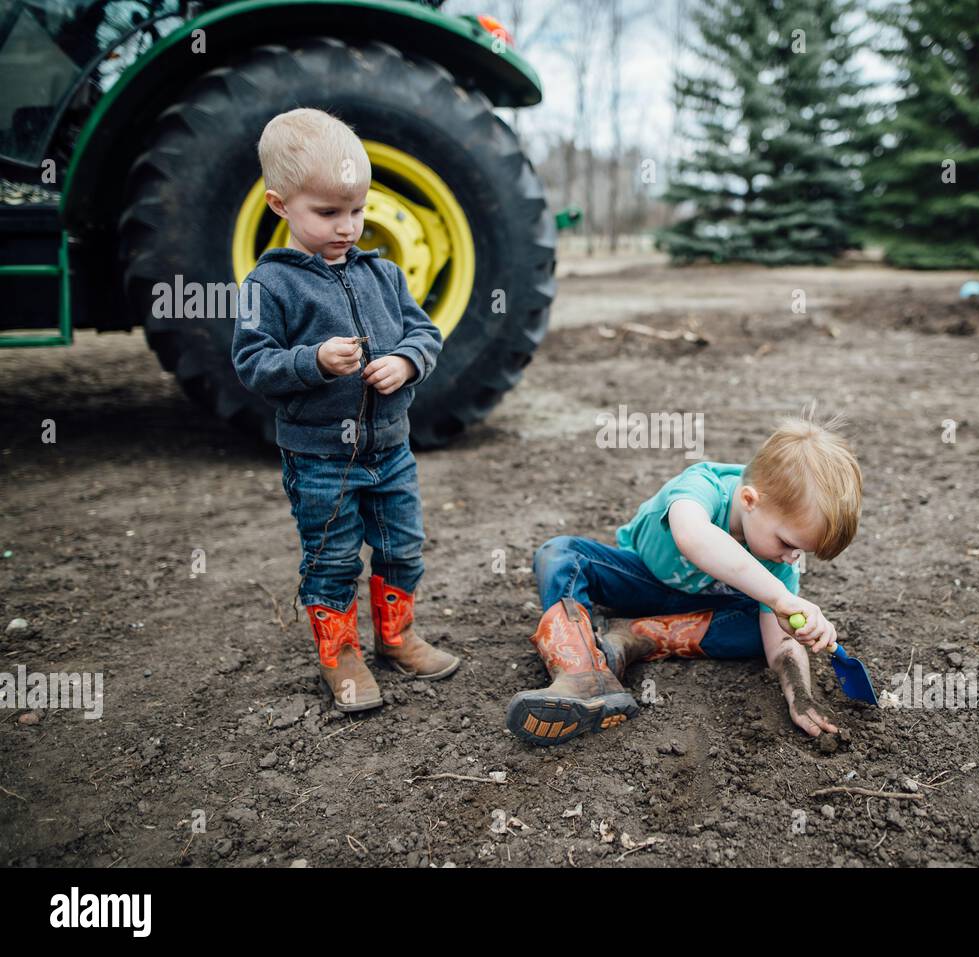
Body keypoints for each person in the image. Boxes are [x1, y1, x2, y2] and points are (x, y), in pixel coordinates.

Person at [231, 108, 456, 712]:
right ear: (280, 205)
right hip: (320, 461)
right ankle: (341, 657)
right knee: (331, 559)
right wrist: (313, 362)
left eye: (356, 210)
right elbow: (253, 364)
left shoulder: (382, 274)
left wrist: (407, 361)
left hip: (390, 450)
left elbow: (425, 332)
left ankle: (398, 637)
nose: (347, 227)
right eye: (327, 213)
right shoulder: (268, 286)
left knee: (402, 547)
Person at [506, 411, 863, 745]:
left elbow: (781, 646)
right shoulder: (704, 484)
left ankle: (632, 637)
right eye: (787, 544)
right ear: (750, 500)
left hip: (701, 610)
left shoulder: (779, 561)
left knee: (763, 630)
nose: (791, 558)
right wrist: (779, 597)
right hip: (640, 580)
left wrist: (801, 697)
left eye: (801, 552)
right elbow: (693, 537)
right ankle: (582, 671)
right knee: (561, 555)